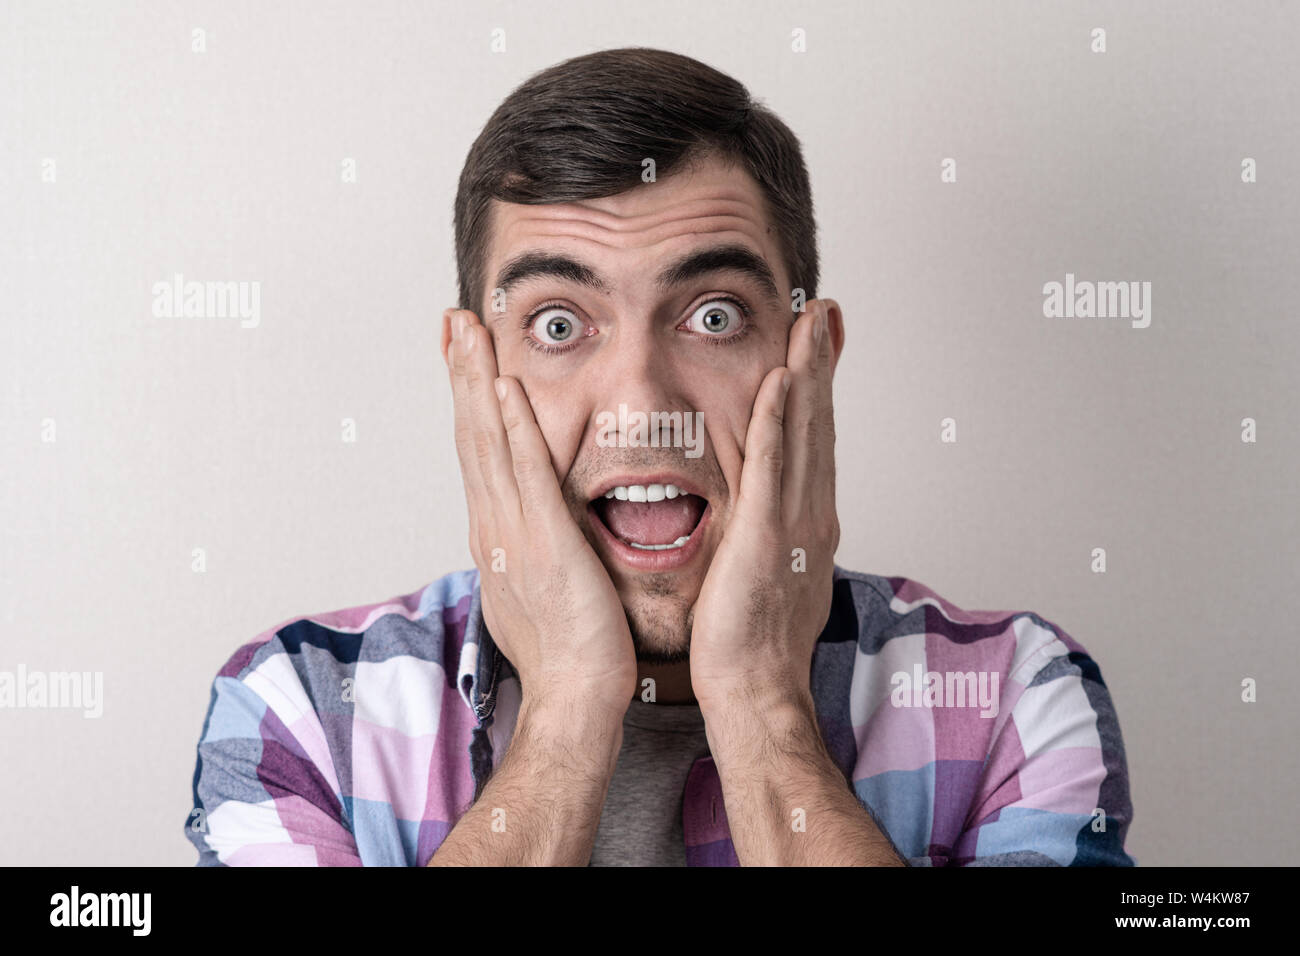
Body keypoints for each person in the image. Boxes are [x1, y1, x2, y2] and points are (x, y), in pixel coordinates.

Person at [185, 47, 1134, 866]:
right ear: (470, 372)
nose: (641, 409)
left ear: (813, 359)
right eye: (559, 324)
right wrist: (565, 714)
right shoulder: (299, 712)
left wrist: (762, 705)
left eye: (714, 317)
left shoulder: (1014, 697)